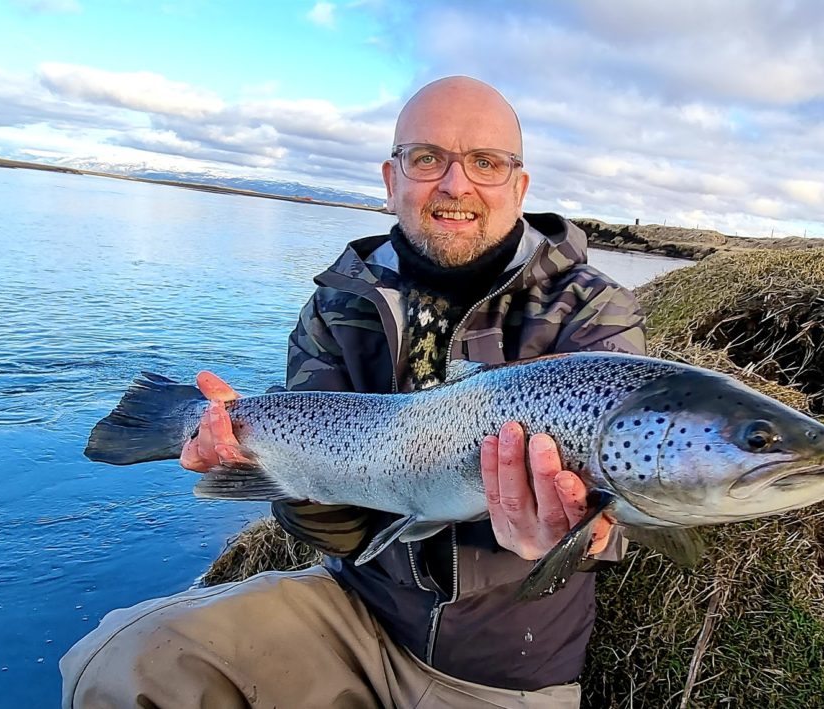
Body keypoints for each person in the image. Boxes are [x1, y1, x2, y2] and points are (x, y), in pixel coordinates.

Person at [61, 76, 646, 708]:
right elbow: (332, 529)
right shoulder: (339, 306)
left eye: (486, 162)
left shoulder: (593, 310)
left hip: (504, 667)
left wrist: (579, 531)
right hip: (353, 616)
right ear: (392, 180)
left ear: (519, 186)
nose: (456, 185)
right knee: (123, 661)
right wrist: (252, 458)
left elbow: (632, 506)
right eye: (428, 159)